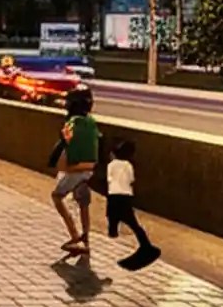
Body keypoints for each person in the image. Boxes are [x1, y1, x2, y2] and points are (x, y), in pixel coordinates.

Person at [52, 87, 99, 254]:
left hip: (75, 168)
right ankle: (86, 238)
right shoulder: (91, 122)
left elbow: (66, 145)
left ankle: (74, 235)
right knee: (83, 203)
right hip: (89, 168)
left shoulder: (72, 123)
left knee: (57, 196)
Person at [107, 139, 162, 270]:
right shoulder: (128, 165)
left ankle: (113, 231)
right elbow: (131, 179)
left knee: (111, 214)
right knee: (132, 222)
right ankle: (145, 244)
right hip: (126, 195)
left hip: (114, 194)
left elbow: (109, 179)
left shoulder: (111, 165)